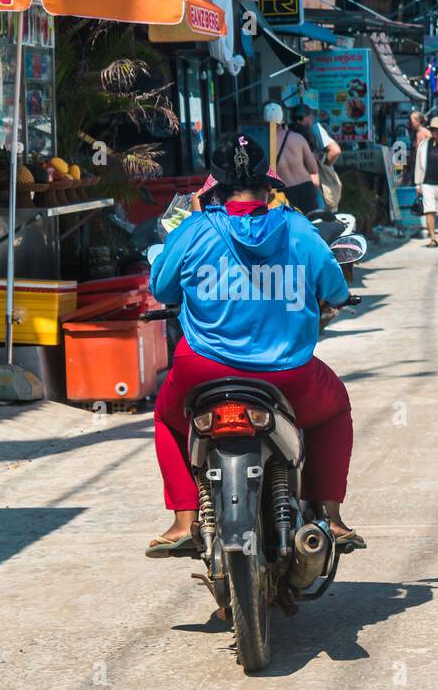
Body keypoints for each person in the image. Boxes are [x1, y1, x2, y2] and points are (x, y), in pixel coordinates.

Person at [146, 132, 362, 556]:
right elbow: (335, 291)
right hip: (289, 376)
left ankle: (183, 520)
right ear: (268, 188)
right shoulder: (298, 229)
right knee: (334, 408)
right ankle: (331, 518)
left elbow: (162, 288)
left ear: (216, 188)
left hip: (203, 371)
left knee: (167, 417)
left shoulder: (192, 231)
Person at [268, 103, 323, 213]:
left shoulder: (264, 142)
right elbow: (313, 169)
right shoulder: (297, 138)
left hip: (283, 193)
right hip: (306, 188)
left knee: (291, 228)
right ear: (282, 119)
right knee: (312, 225)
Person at [290, 104, 343, 211]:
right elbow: (335, 150)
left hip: (292, 186)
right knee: (320, 215)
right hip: (312, 184)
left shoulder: (287, 132)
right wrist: (325, 166)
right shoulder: (315, 129)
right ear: (307, 117)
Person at [414, 115, 438, 246]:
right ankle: (433, 238)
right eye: (434, 129)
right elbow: (419, 165)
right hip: (427, 183)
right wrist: (418, 184)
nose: (436, 132)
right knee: (429, 210)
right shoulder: (423, 145)